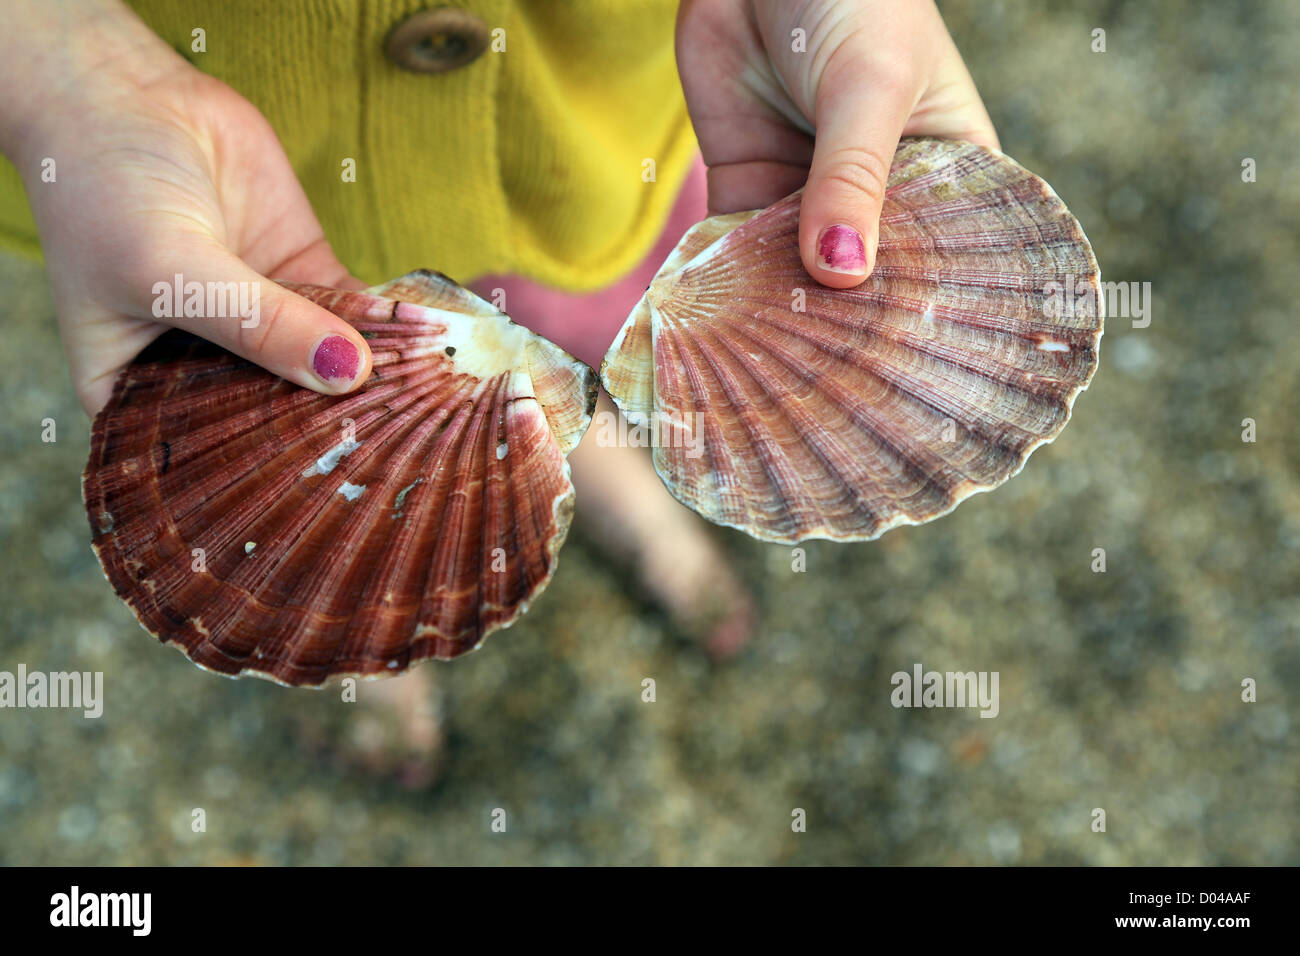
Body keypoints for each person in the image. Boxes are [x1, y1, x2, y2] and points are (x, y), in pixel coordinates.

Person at [0, 0, 997, 774]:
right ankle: (373, 636)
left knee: (591, 341)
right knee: (314, 453)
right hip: (200, 178)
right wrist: (60, 64)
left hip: (587, 143)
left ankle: (592, 465)